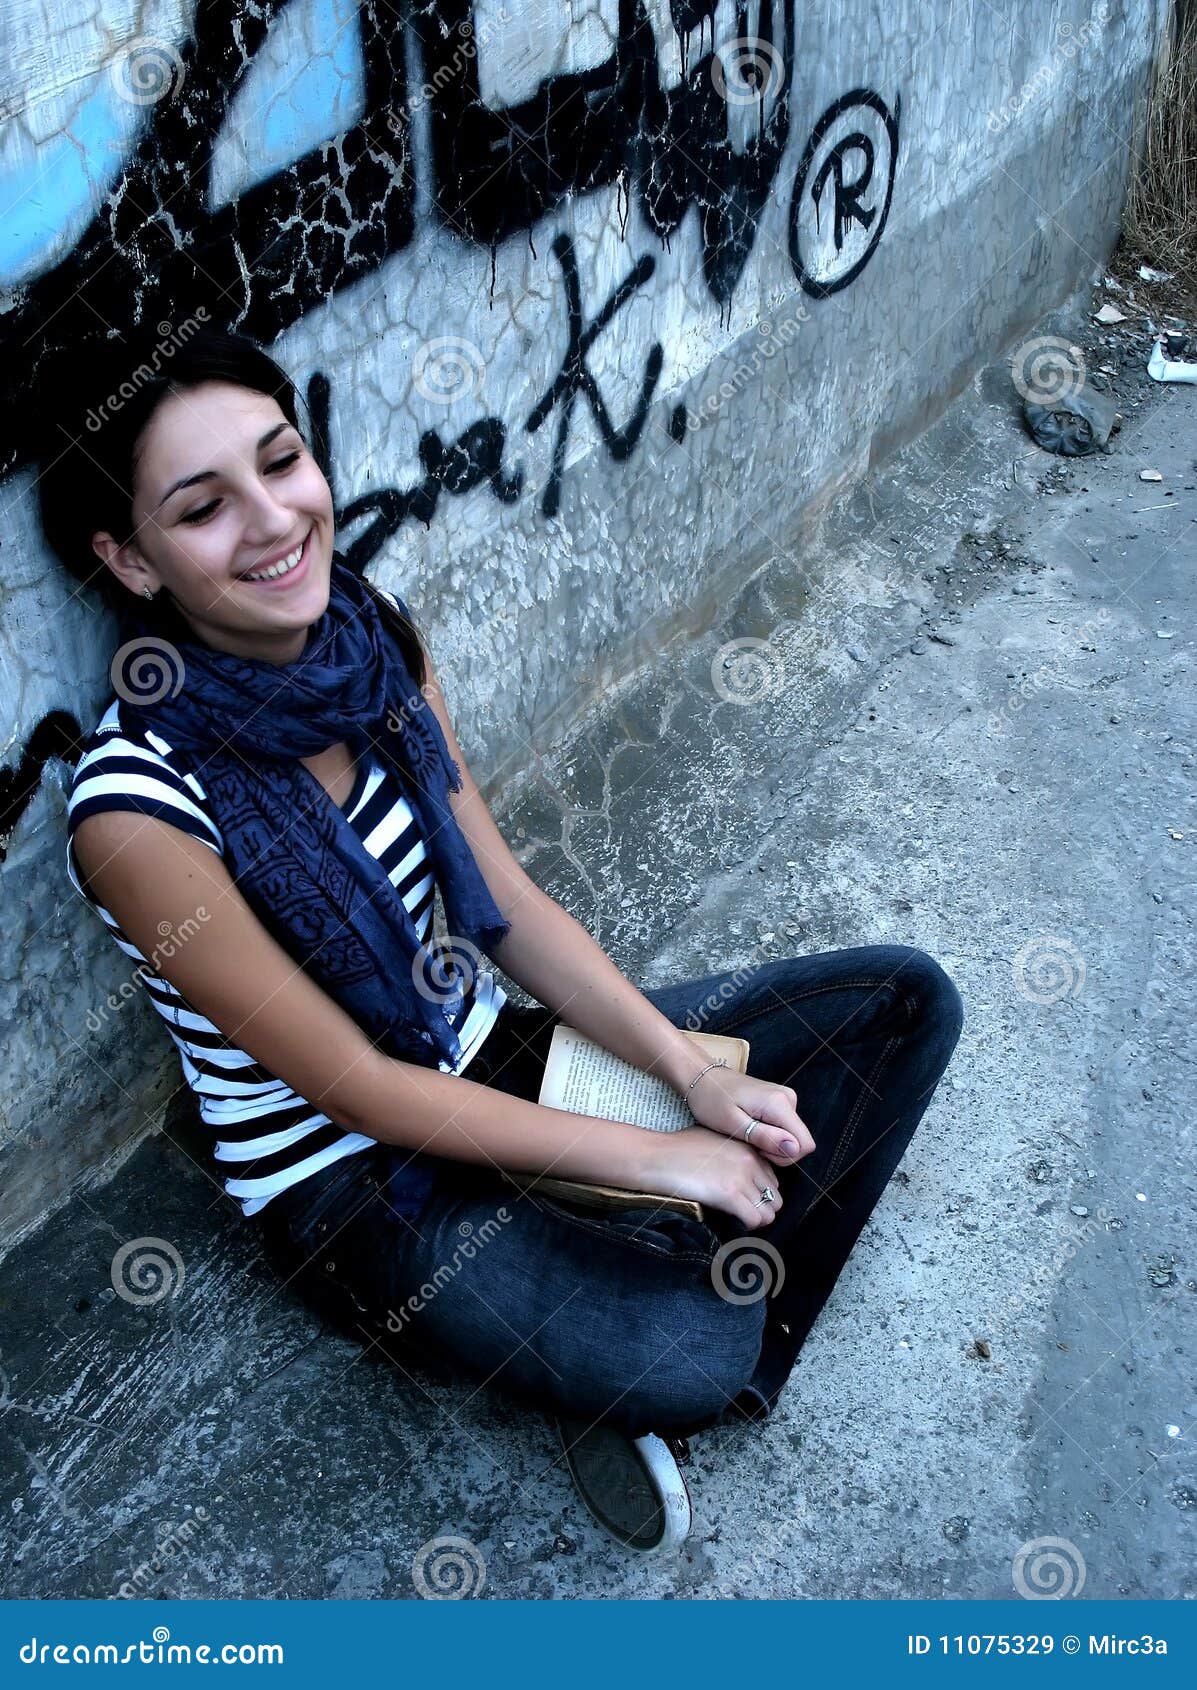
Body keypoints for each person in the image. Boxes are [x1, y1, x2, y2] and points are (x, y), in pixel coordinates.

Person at [39, 324, 965, 1555]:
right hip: (359, 1185)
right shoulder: (136, 810)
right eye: (204, 507)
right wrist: (667, 1161)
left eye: (283, 462)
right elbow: (361, 1090)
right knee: (699, 1343)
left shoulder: (370, 646)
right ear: (131, 559)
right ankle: (642, 1291)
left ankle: (611, 1278)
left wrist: (687, 1077)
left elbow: (503, 899)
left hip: (484, 1048)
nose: (272, 522)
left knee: (907, 1002)